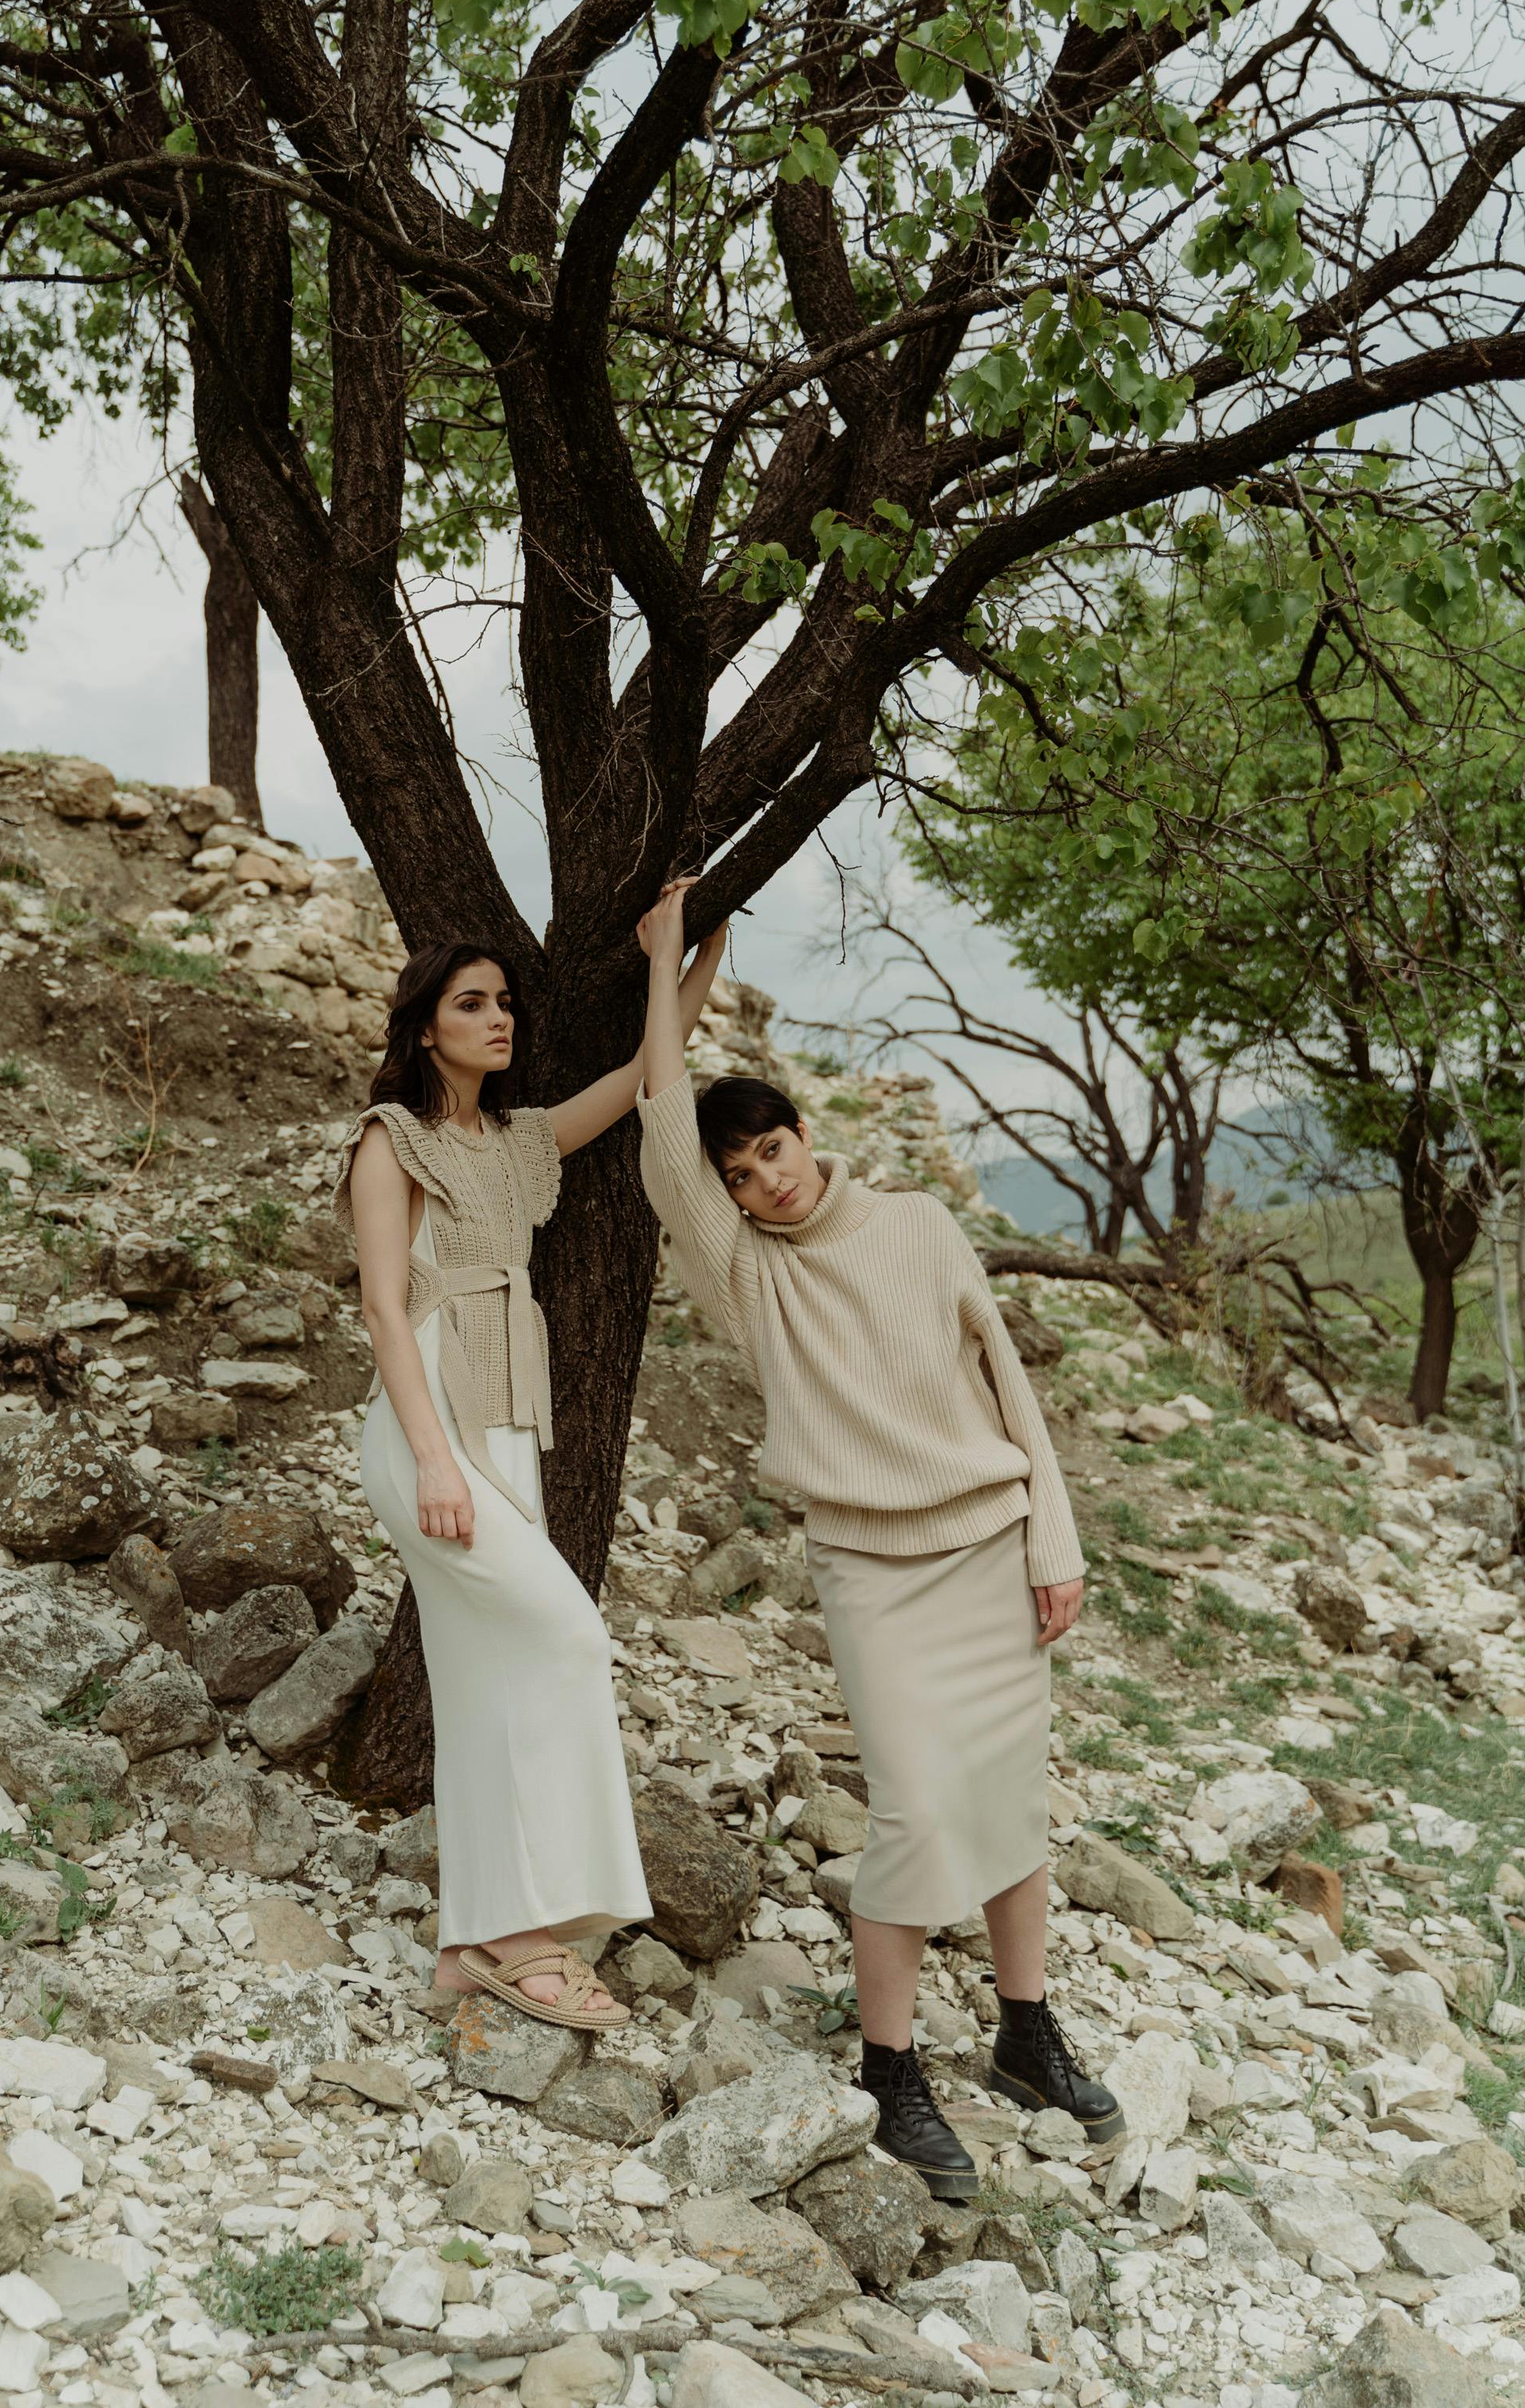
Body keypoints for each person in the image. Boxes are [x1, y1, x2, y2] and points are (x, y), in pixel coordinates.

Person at [635, 880, 1123, 2191]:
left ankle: (1026, 2034)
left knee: (1007, 1798)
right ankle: (889, 2069)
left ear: (805, 1133)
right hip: (867, 1568)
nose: (763, 1182)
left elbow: (1006, 1387)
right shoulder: (746, 1271)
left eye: (771, 1153)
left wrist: (1054, 1543)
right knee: (912, 1809)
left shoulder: (917, 1223)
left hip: (988, 1547)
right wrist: (668, 964)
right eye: (740, 1176)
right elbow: (661, 1132)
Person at [340, 925, 725, 2028]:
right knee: (566, 1639)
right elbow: (383, 1310)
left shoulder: (519, 1142)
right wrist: (433, 1462)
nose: (498, 1018)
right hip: (430, 1433)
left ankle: (473, 1944)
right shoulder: (390, 1141)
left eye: (504, 1001)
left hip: (506, 1427)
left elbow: (649, 1070)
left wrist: (688, 950)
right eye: (471, 1003)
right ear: (424, 1028)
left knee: (487, 1683)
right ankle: (525, 1935)